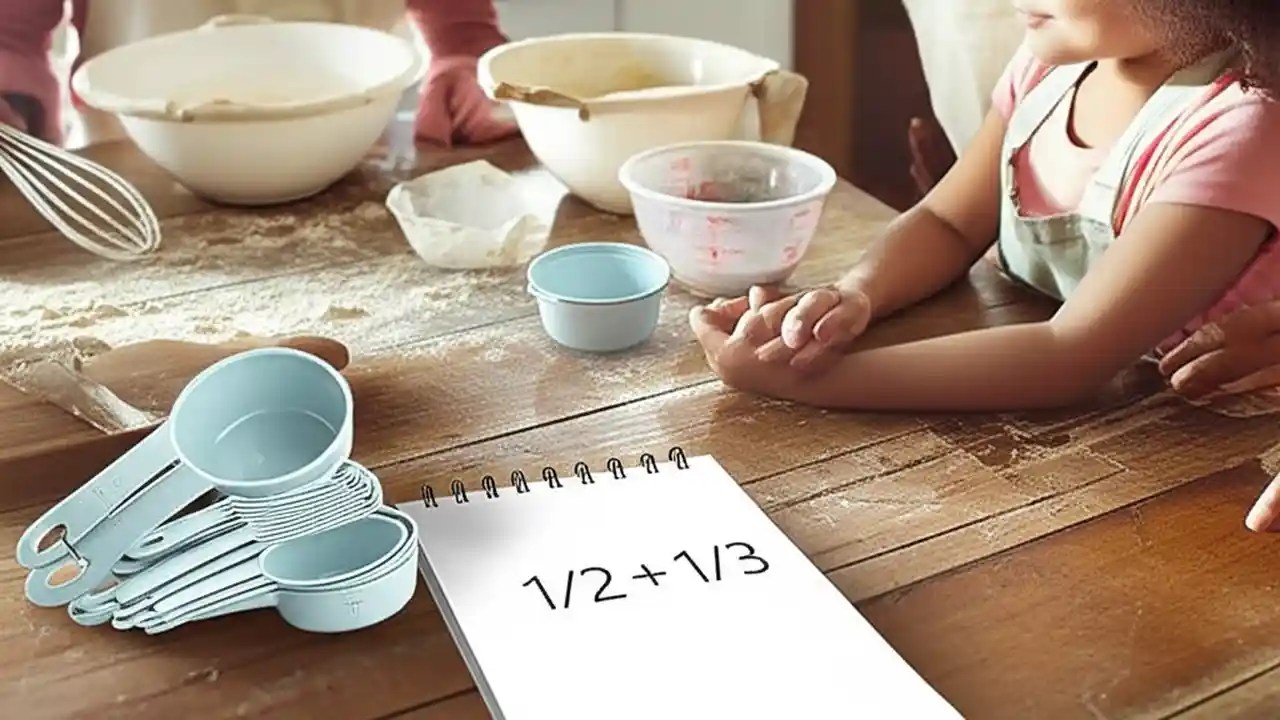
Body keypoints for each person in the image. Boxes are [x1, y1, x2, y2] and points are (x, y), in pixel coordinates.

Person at [691, 0, 1280, 533]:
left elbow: (1069, 356)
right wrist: (854, 295)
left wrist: (806, 380)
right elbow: (946, 221)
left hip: (1174, 465)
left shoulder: (1241, 124)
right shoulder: (1049, 67)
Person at [0, 0, 517, 148]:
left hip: (352, 152)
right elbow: (10, 35)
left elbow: (458, 24)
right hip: (136, 163)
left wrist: (462, 50)